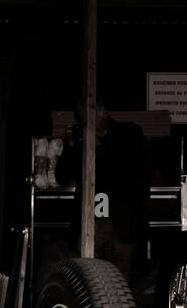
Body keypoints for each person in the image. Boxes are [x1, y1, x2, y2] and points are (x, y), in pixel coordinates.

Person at [55, 105, 150, 283]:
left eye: (89, 118)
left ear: (103, 112)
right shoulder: (80, 140)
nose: (87, 124)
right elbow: (62, 176)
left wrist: (99, 143)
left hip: (122, 224)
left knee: (121, 283)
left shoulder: (129, 133)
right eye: (83, 120)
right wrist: (71, 146)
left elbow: (134, 173)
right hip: (90, 225)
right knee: (88, 282)